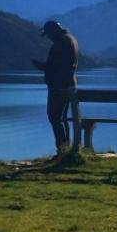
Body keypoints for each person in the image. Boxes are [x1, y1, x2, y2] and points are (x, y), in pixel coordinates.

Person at [32, 20, 80, 151]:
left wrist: (39, 65)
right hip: (69, 84)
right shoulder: (71, 39)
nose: (48, 38)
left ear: (53, 31)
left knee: (54, 117)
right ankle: (65, 148)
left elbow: (54, 66)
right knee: (61, 117)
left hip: (59, 86)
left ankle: (62, 149)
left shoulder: (61, 43)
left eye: (48, 34)